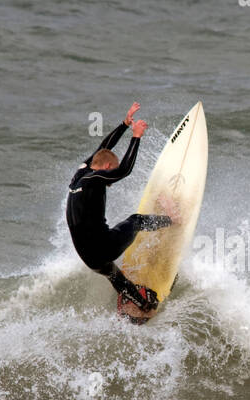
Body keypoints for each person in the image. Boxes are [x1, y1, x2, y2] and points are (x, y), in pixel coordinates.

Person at [66, 102, 173, 312]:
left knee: (113, 273)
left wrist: (125, 124)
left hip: (88, 258)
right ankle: (171, 219)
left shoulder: (79, 174)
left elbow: (104, 148)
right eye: (110, 174)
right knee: (136, 220)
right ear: (106, 168)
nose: (111, 180)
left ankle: (143, 304)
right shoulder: (96, 178)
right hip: (104, 249)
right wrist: (136, 136)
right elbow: (124, 170)